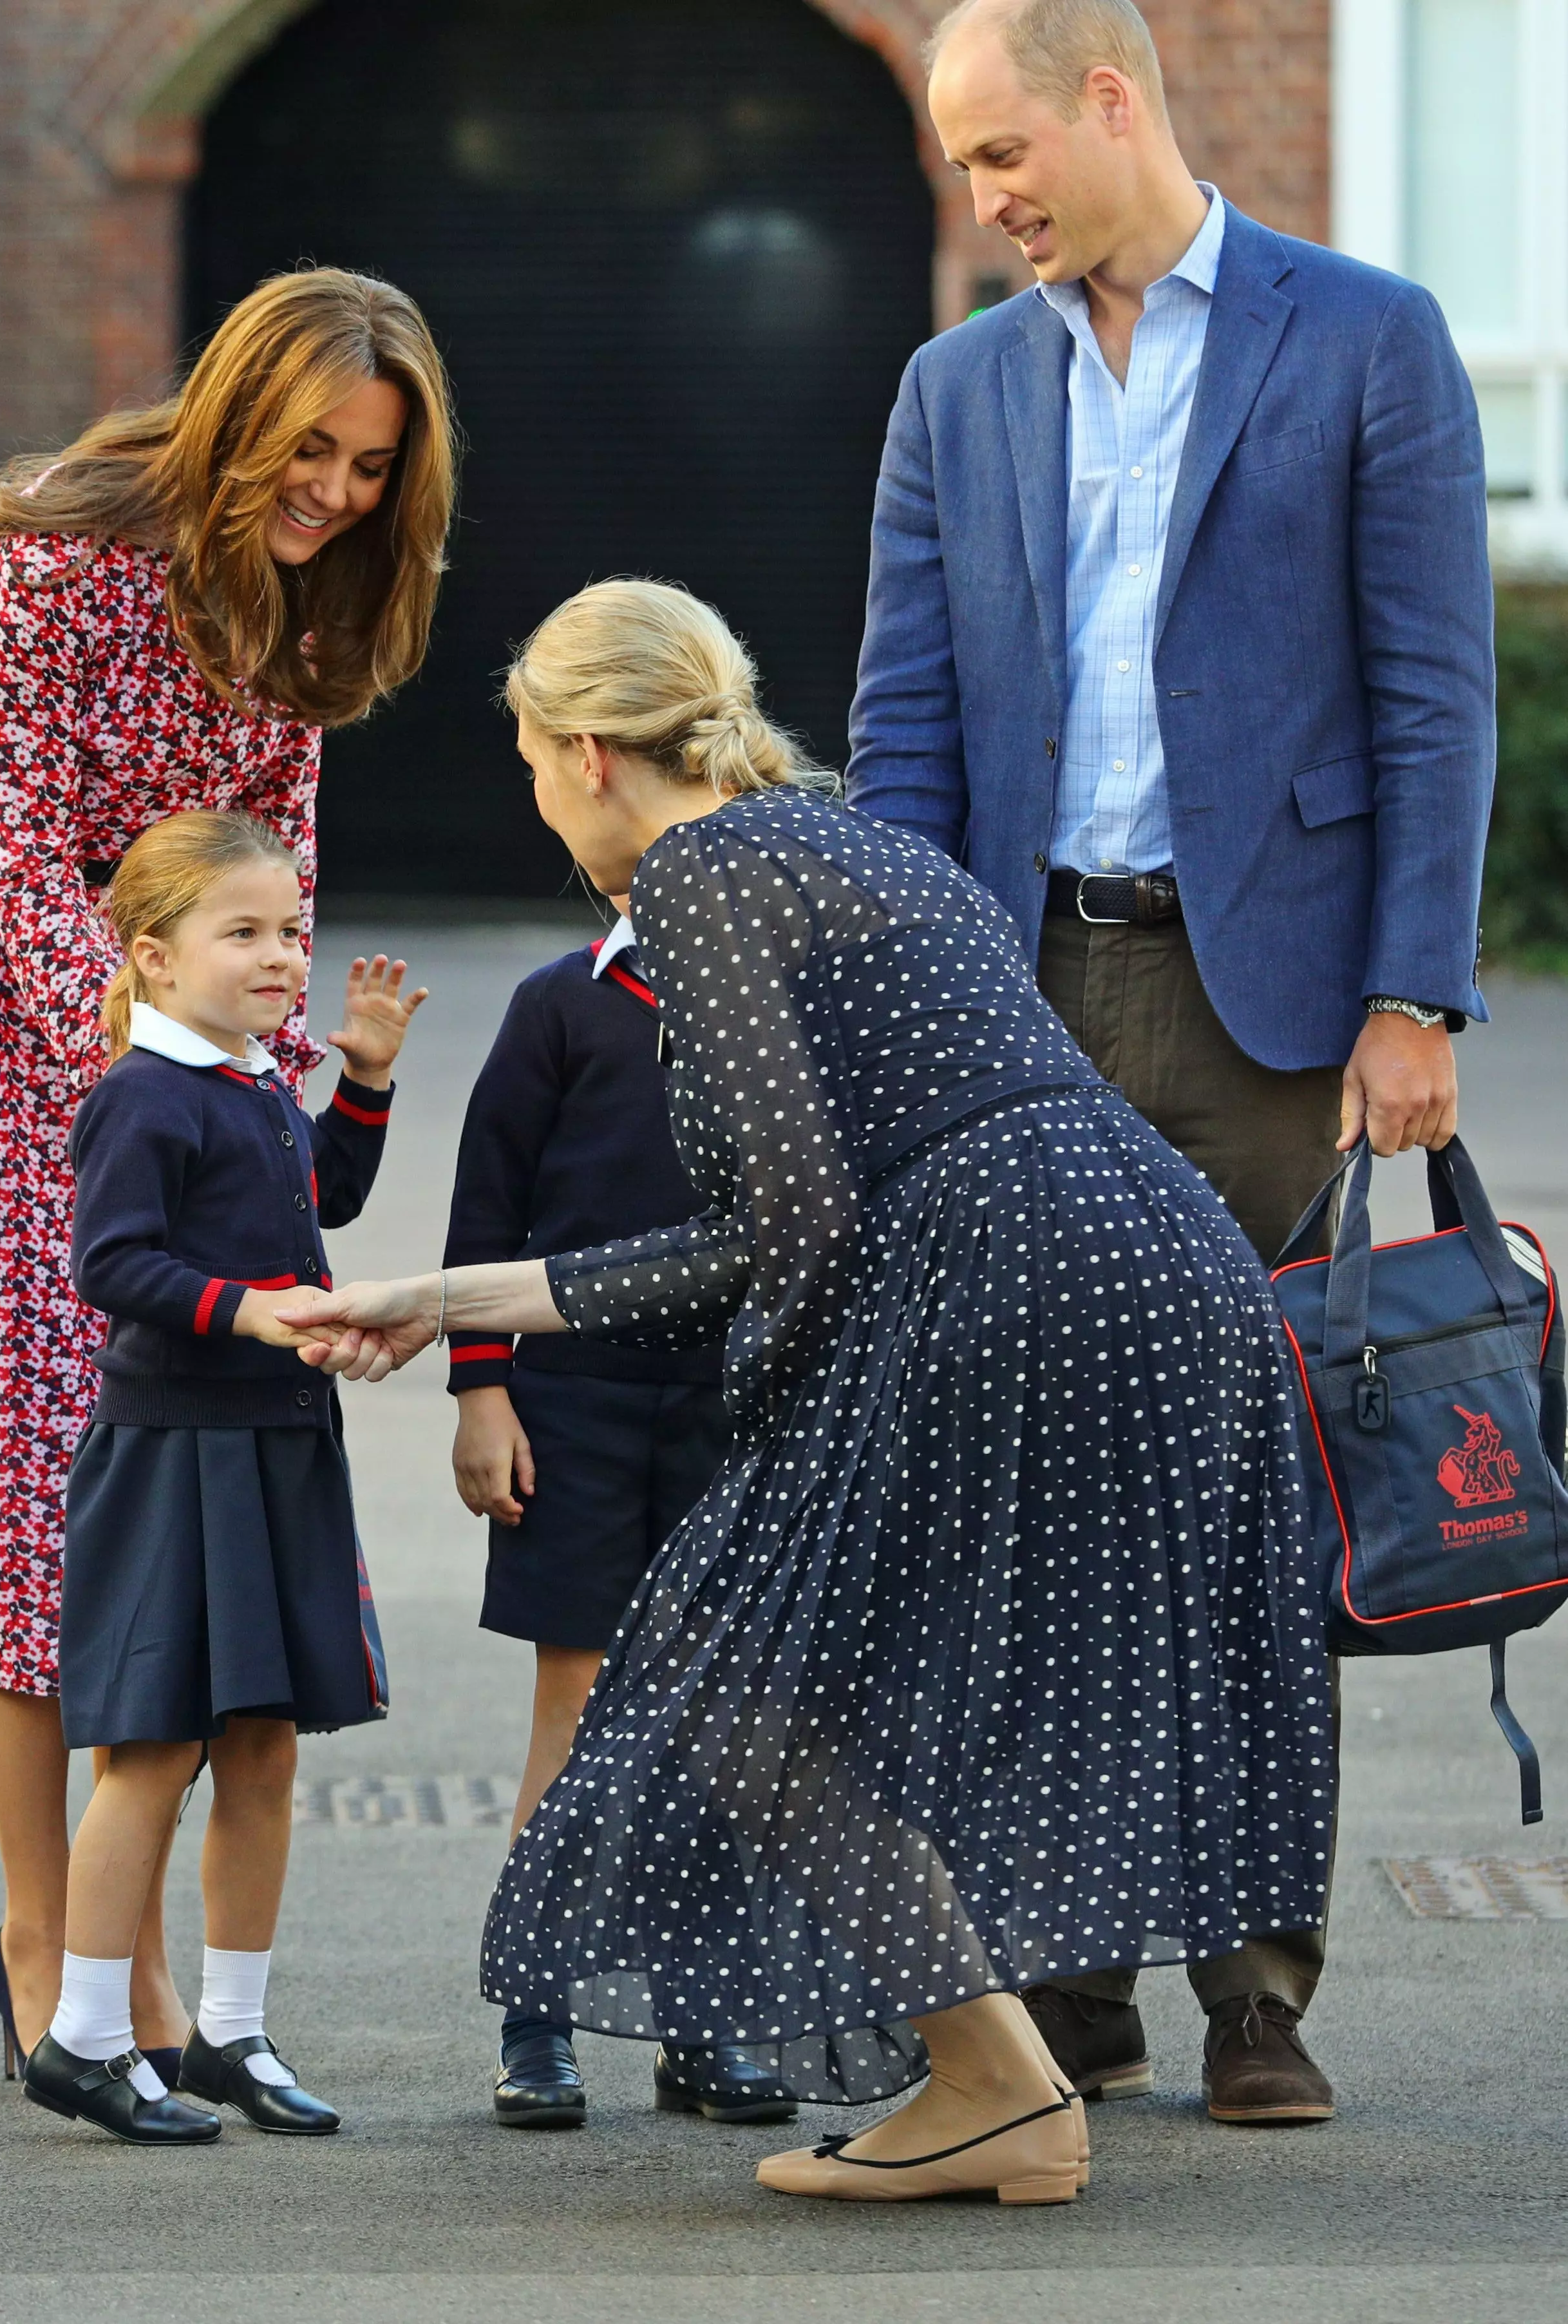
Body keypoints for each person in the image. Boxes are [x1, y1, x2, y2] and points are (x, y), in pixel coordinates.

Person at [276, 578, 1334, 2207]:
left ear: (588, 753)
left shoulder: (698, 877)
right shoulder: (855, 840)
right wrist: (441, 1300)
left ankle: (993, 2083)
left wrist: (473, 1308)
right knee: (920, 1675)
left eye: (528, 764)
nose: (537, 800)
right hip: (1153, 1261)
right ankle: (1009, 2076)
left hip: (1000, 1281)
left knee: (738, 1679)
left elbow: (786, 1228)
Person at [845, 0, 1495, 2121]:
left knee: (1246, 1496)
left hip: (1269, 1015)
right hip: (1021, 994)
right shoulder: (956, 388)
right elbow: (906, 733)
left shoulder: (1361, 335)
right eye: (962, 170)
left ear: (1113, 99)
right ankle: (1069, 1979)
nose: (987, 198)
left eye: (1005, 151)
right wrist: (898, 1017)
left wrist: (1414, 994)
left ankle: (1260, 1988)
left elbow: (1431, 687)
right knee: (1029, 1497)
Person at [0, 267, 455, 2080]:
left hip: (186, 1034)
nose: (333, 492)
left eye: (371, 469)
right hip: (5, 1034)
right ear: (237, 406)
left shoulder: (321, 591)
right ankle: (54, 1954)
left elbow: (280, 852)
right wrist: (146, 1088)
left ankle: (128, 1955)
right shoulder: (55, 546)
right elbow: (20, 853)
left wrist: (261, 1076)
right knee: (35, 1497)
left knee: (166, 1487)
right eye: (310, 450)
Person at [21, 808, 425, 2145]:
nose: (279, 954)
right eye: (243, 930)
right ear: (152, 952)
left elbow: (324, 1199)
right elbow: (111, 1264)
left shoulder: (253, 1081)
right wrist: (249, 1314)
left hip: (279, 1446)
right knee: (152, 1749)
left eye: (289, 928)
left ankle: (230, 2034)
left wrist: (361, 1081)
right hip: (175, 1454)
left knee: (261, 1747)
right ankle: (82, 2038)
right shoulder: (141, 1092)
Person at [443, 902, 792, 2129]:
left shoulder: (784, 1004)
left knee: (716, 1723)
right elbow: (487, 1203)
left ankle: (703, 2024)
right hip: (571, 1400)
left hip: (734, 1407)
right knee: (577, 1711)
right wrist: (481, 1389)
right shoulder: (560, 1003)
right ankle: (536, 2020)